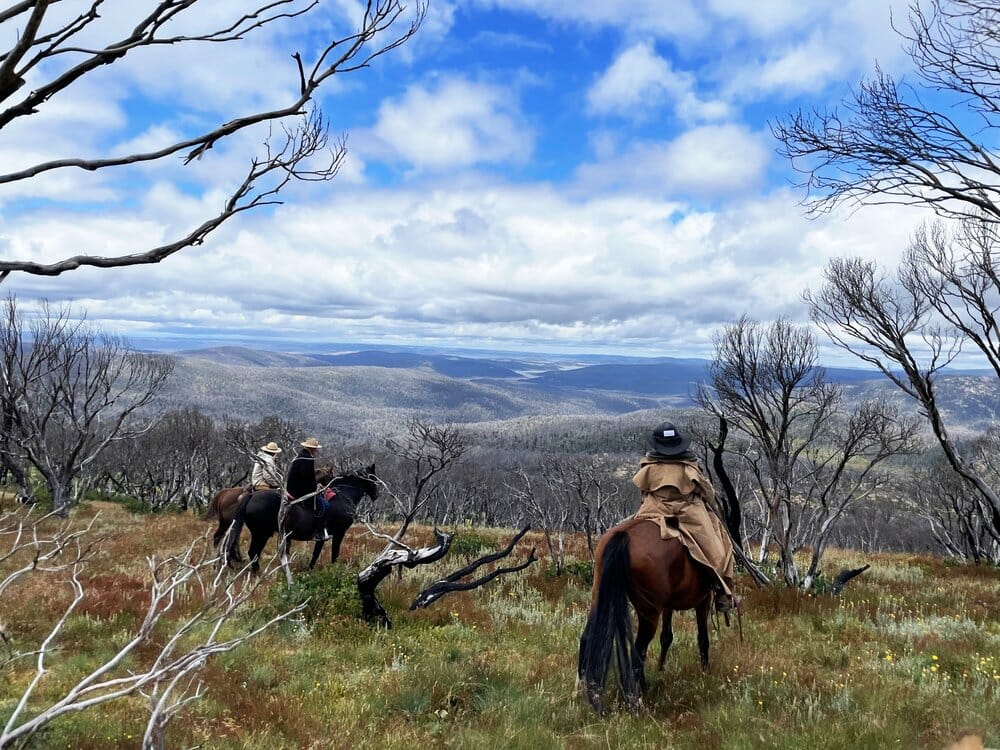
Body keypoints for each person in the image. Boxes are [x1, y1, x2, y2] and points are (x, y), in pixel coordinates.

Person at [632, 420, 739, 613]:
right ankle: (722, 590)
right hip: (688, 511)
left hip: (654, 507)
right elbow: (709, 494)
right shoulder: (689, 467)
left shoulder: (648, 465)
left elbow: (643, 489)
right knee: (718, 549)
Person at [287, 437, 330, 542]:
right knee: (324, 506)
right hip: (301, 491)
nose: (316, 450)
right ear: (311, 449)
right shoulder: (307, 459)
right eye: (315, 448)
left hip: (292, 488)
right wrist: (316, 487)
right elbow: (306, 477)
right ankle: (319, 532)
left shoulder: (300, 456)